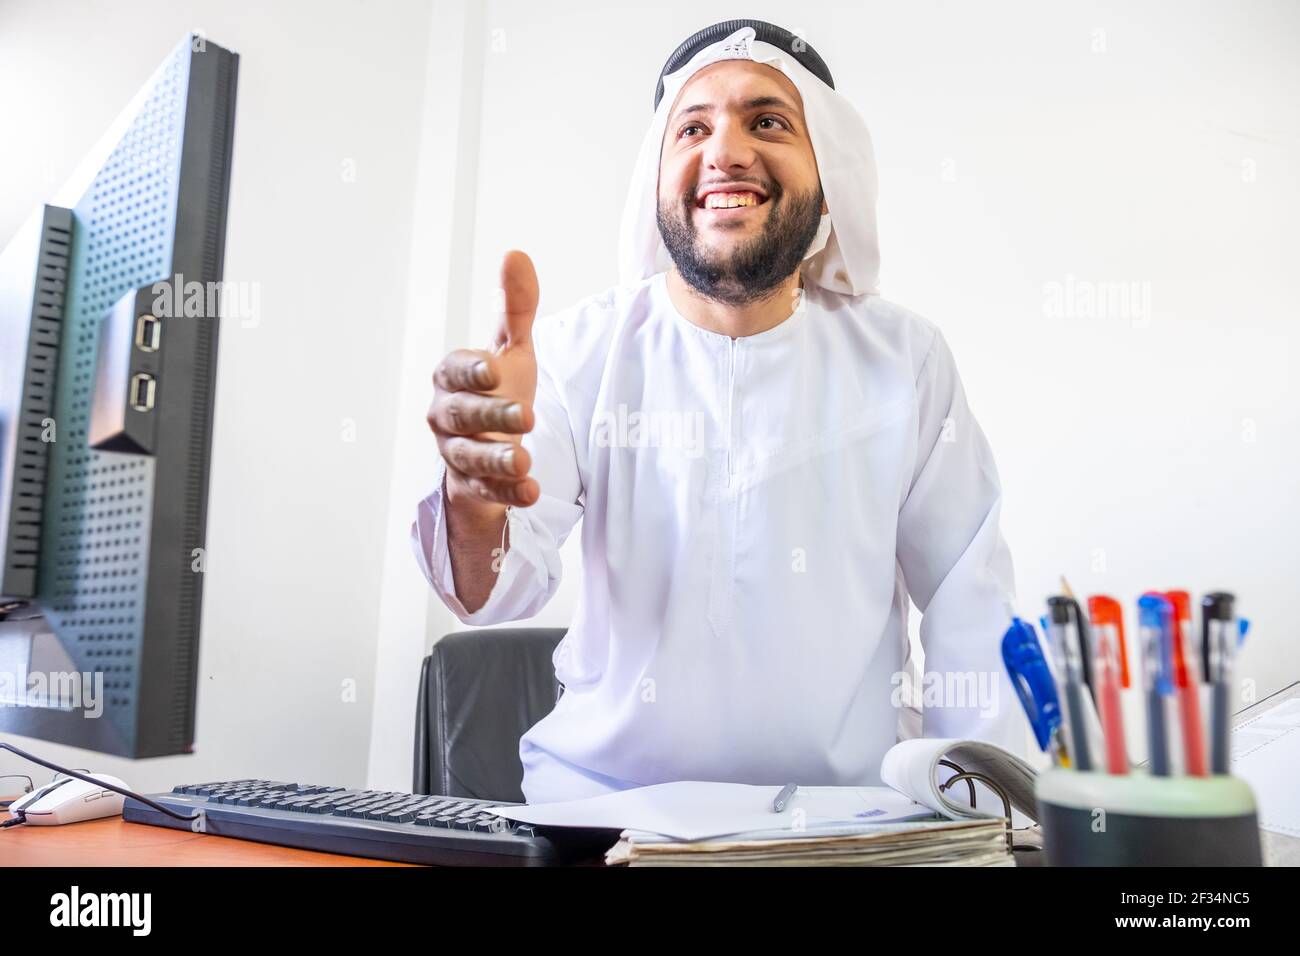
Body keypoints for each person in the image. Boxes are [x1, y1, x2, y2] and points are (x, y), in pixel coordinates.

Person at [413, 20, 1025, 804]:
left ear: (827, 170)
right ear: (658, 175)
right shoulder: (577, 353)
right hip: (602, 815)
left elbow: (969, 600)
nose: (726, 151)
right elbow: (492, 593)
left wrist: (979, 816)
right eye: (693, 127)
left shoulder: (905, 361)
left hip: (844, 828)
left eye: (768, 121)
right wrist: (471, 494)